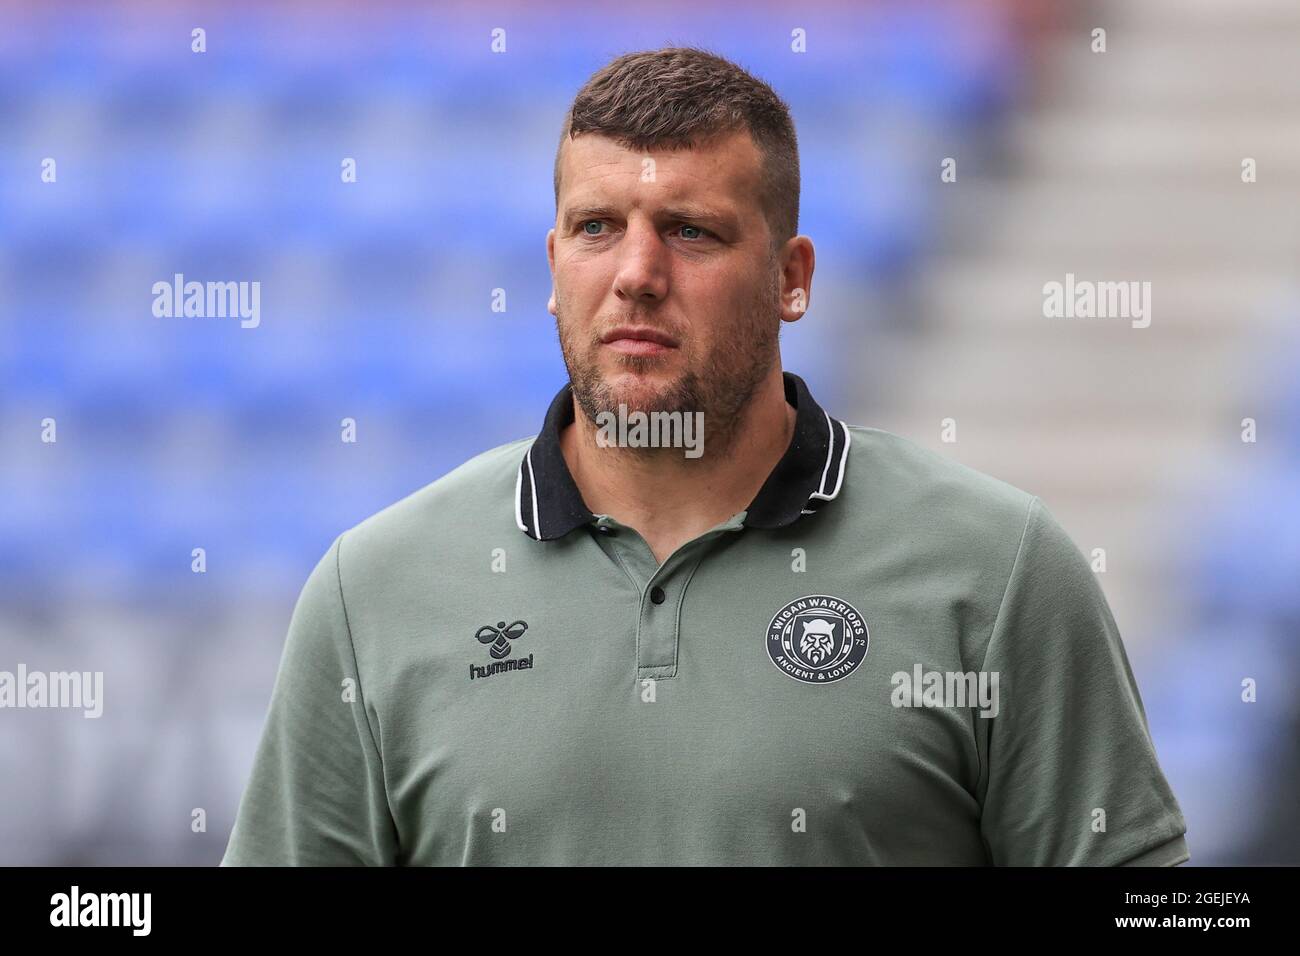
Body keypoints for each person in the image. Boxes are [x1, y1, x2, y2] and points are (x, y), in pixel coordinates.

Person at [221, 46, 1189, 866]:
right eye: (598, 228)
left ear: (791, 278)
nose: (637, 274)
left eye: (691, 232)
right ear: (554, 269)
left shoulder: (997, 571)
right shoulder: (374, 592)